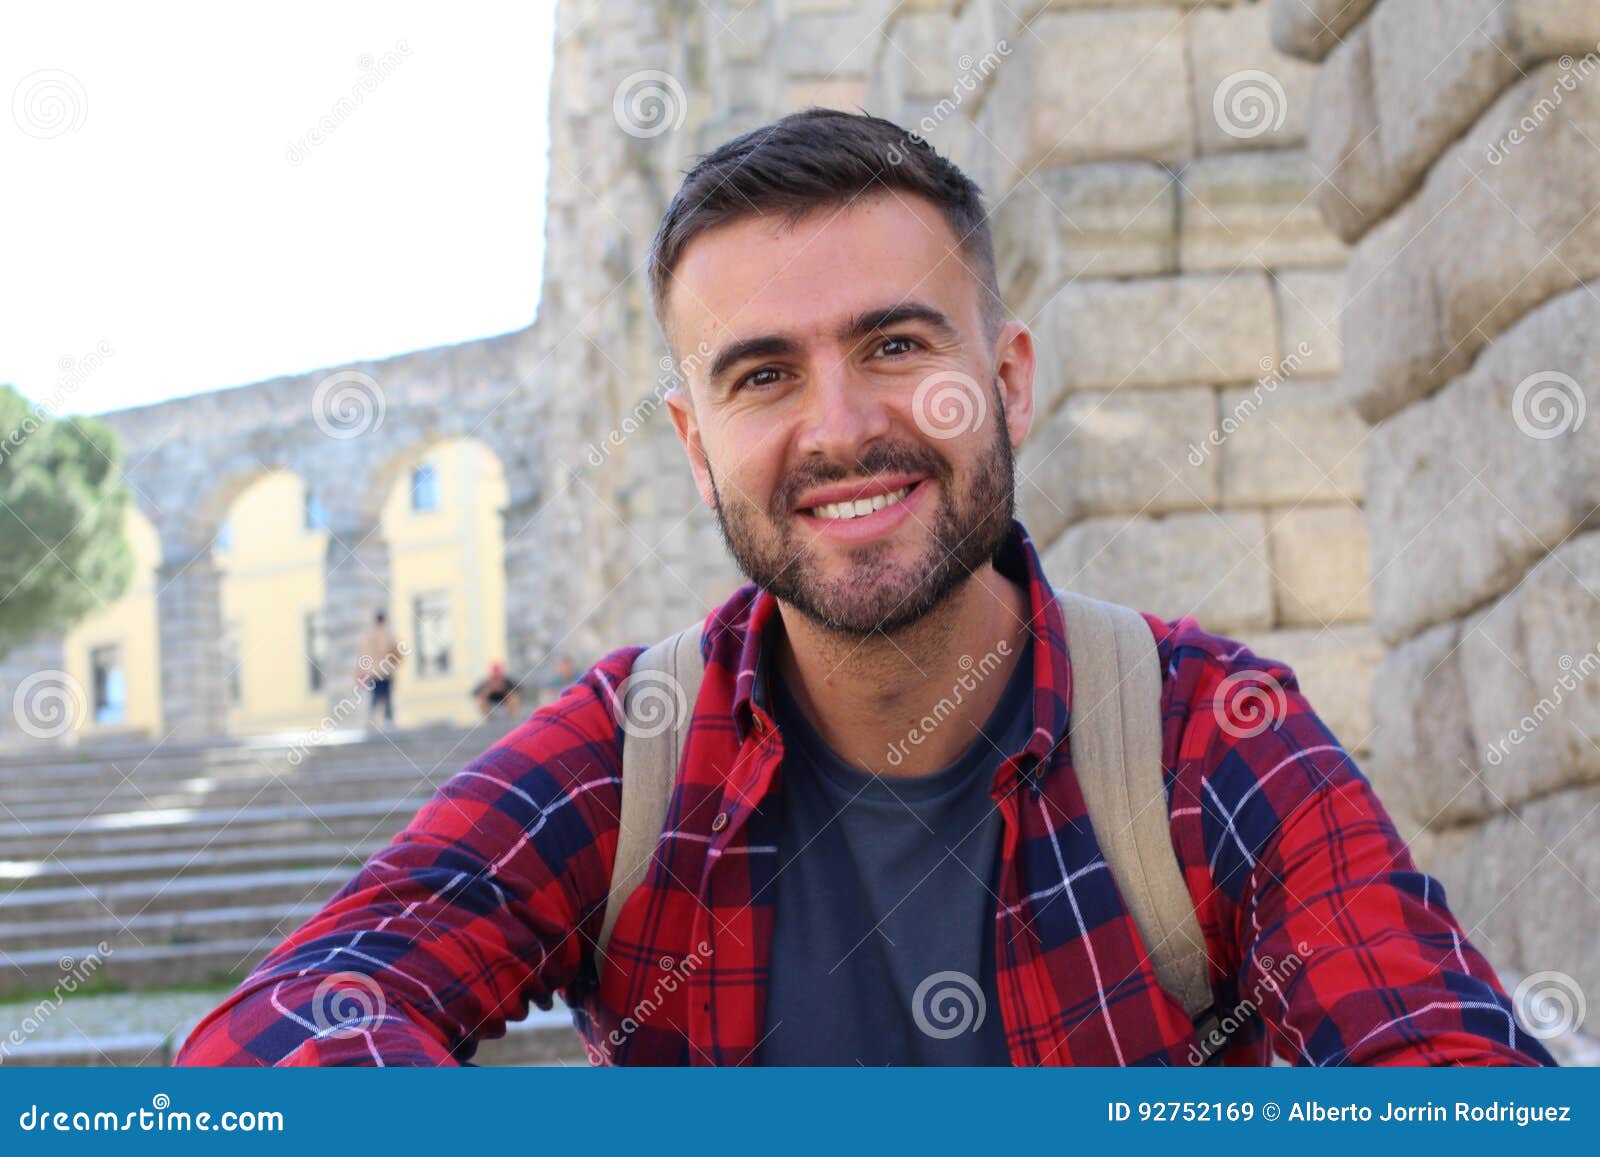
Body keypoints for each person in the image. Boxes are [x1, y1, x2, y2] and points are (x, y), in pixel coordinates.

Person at [177, 110, 1557, 1067]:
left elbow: (1436, 1061)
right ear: (693, 442)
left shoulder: (1208, 731)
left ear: (1007, 381)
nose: (839, 429)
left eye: (895, 344)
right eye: (763, 374)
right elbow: (284, 1019)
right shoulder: (631, 756)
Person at [355, 610, 402, 731]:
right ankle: (388, 720)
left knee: (375, 696)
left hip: (373, 672)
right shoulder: (387, 634)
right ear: (384, 621)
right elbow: (396, 651)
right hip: (386, 671)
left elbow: (363, 655)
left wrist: (361, 671)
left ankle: (372, 719)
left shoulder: (368, 636)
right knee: (386, 696)